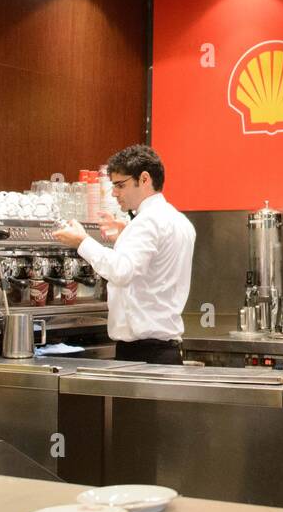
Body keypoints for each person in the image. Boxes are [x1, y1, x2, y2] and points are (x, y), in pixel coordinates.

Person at [53, 144, 194, 364]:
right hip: (167, 350)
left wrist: (82, 241)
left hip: (143, 353)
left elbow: (121, 271)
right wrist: (125, 236)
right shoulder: (178, 220)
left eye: (120, 185)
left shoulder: (146, 223)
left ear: (145, 179)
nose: (114, 193)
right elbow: (152, 270)